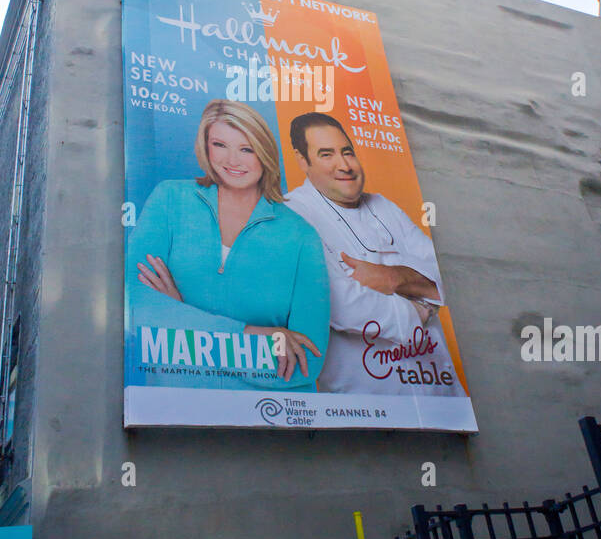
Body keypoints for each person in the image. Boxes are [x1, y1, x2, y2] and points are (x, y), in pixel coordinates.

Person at [127, 100, 329, 391]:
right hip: (173, 413)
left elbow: (305, 361)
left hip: (270, 424)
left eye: (246, 149)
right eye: (220, 144)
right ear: (206, 147)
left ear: (265, 153)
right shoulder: (170, 199)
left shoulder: (301, 236)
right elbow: (136, 304)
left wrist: (178, 316)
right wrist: (251, 335)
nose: (233, 160)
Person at [284, 112, 466, 397]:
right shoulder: (292, 214)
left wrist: (391, 278)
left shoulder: (383, 205)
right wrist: (416, 309)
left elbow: (445, 281)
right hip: (370, 400)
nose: (344, 165)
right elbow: (335, 303)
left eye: (347, 152)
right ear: (302, 160)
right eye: (326, 154)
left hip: (441, 390)